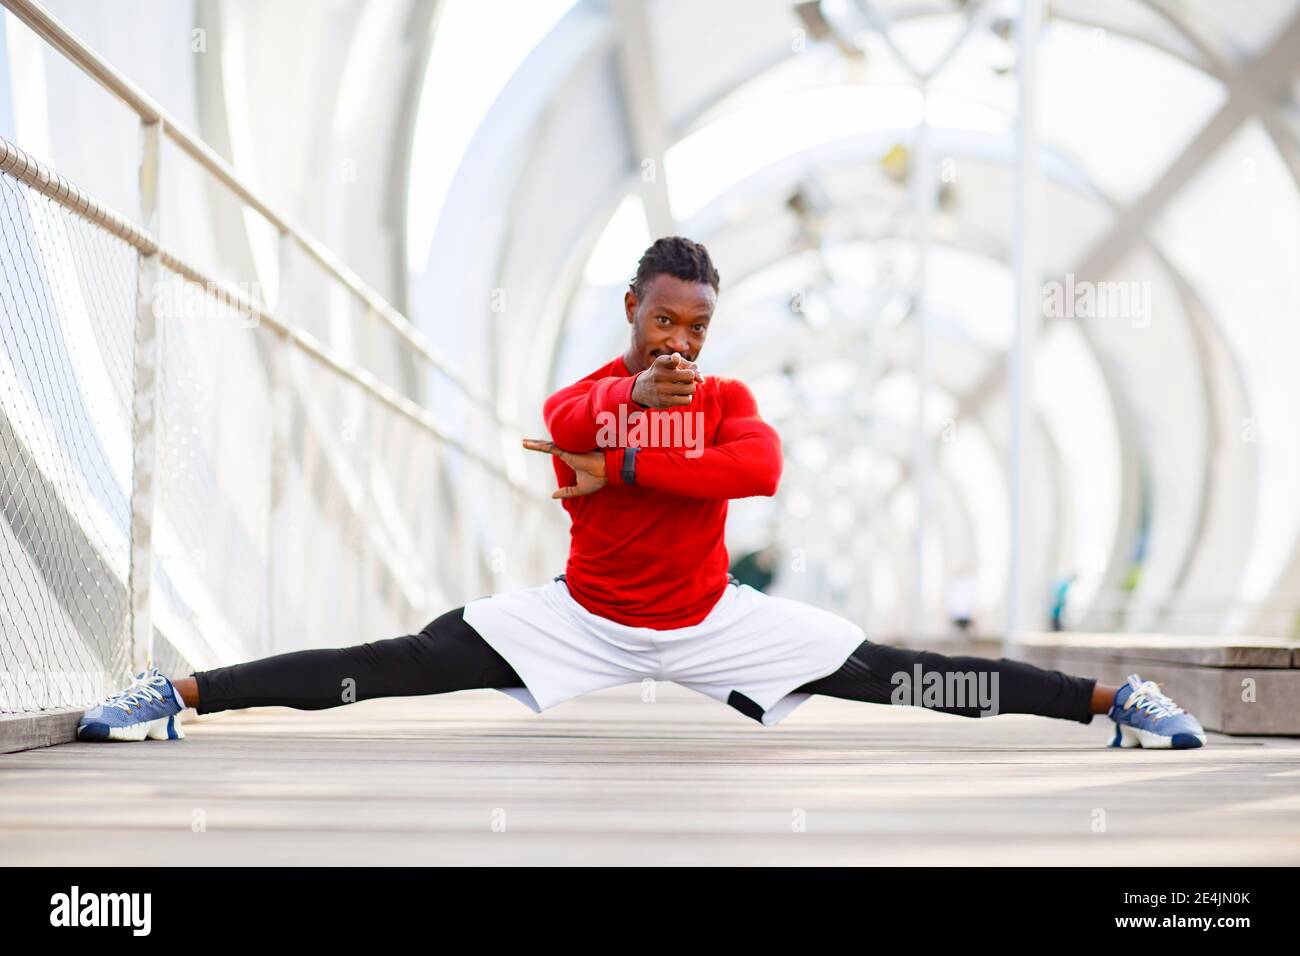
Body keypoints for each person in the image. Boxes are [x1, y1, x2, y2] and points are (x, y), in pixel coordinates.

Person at [77, 238, 1206, 750]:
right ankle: (175, 691)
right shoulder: (595, 393)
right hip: (580, 620)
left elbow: (754, 471)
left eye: (698, 325)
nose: (681, 337)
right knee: (397, 663)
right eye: (665, 318)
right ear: (632, 308)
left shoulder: (723, 398)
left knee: (905, 675)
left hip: (712, 623)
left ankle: (1114, 703)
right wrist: (627, 410)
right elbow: (562, 426)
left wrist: (622, 466)